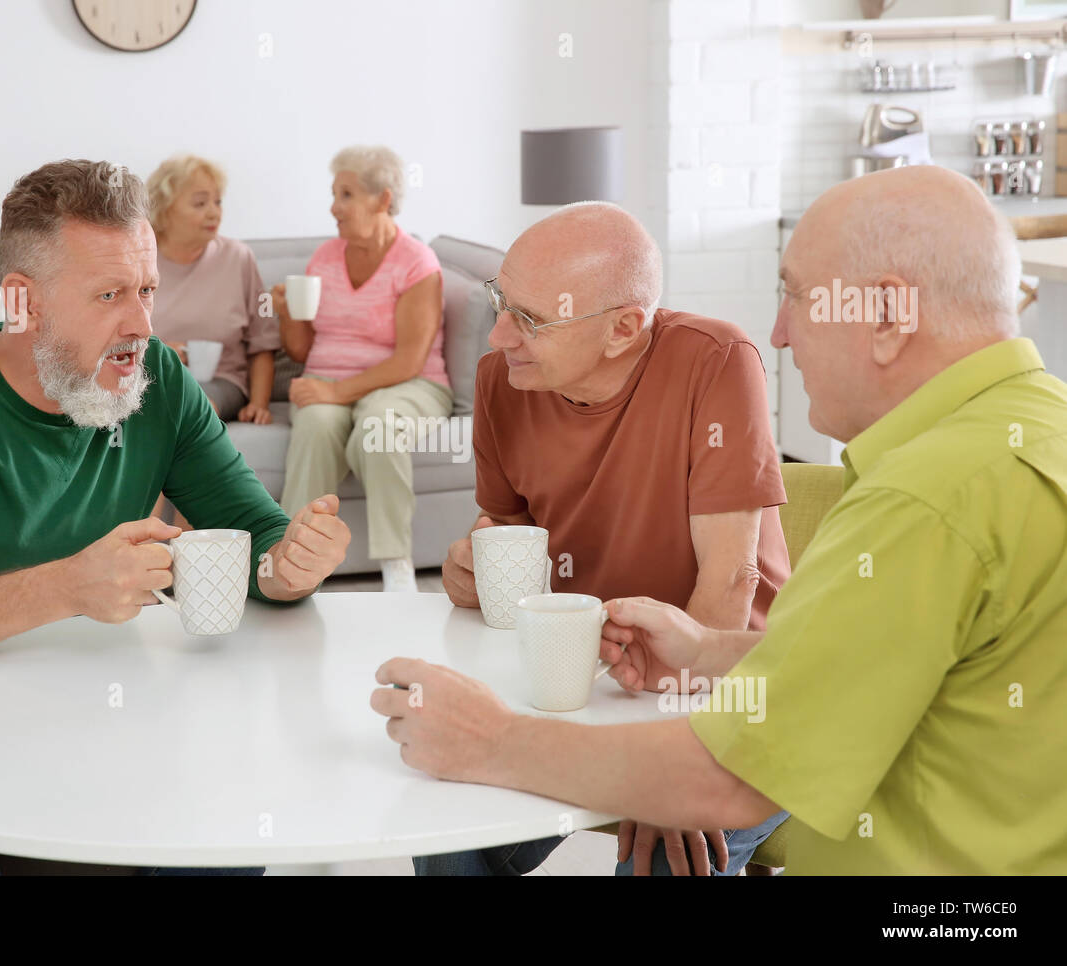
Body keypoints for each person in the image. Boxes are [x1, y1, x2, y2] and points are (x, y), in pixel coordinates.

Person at [372, 165, 1067, 874]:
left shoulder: (928, 499)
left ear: (885, 316)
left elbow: (730, 777)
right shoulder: (1025, 437)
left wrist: (490, 740)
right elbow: (841, 673)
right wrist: (704, 651)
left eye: (795, 297)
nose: (781, 333)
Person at [0, 159, 350, 876]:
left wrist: (291, 563)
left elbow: (257, 541)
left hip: (76, 727)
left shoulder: (161, 384)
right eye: (111, 294)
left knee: (228, 829)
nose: (144, 325)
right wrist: (65, 587)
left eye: (148, 290)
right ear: (22, 302)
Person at [419, 202, 791, 876]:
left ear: (624, 328)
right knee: (449, 835)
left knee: (660, 866)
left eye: (530, 319)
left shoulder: (717, 361)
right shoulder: (504, 380)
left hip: (729, 690)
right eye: (502, 302)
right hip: (583, 675)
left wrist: (665, 762)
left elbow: (730, 582)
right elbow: (504, 534)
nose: (500, 334)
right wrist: (465, 570)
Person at [273, 146, 452, 593]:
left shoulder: (416, 263)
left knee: (379, 425)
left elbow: (411, 358)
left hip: (410, 383)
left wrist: (338, 393)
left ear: (382, 199)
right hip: (328, 382)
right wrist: (287, 315)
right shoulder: (326, 258)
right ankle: (292, 559)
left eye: (347, 194)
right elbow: (301, 349)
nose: (334, 207)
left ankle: (396, 564)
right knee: (315, 423)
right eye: (334, 194)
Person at [146, 154, 278, 424]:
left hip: (220, 383)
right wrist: (155, 353)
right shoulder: (138, 258)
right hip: (146, 378)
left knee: (190, 406)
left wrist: (259, 403)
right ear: (165, 208)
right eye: (200, 203)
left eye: (217, 202)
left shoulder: (238, 257)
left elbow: (263, 341)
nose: (214, 212)